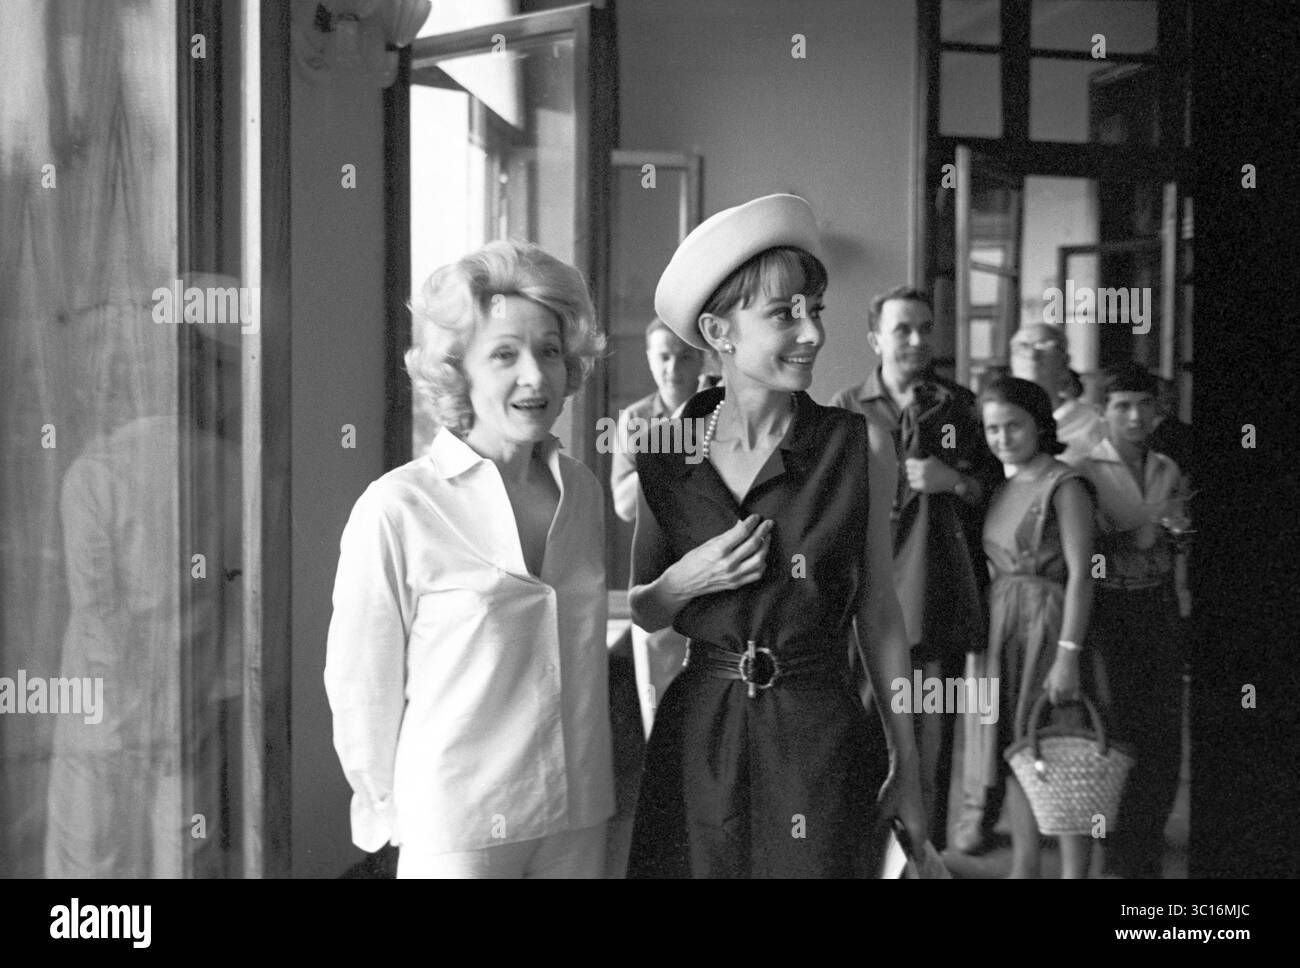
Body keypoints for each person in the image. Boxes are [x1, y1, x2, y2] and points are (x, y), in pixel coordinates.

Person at [625, 194, 926, 878]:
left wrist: (909, 761)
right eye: (784, 314)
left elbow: (878, 610)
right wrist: (685, 581)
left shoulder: (859, 445)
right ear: (719, 332)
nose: (813, 333)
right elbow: (645, 609)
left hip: (819, 732)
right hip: (701, 732)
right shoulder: (666, 454)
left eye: (814, 310)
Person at [324, 239, 613, 878]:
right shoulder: (398, 507)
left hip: (578, 813)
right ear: (459, 370)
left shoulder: (583, 492)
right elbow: (360, 685)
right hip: (459, 825)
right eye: (504, 355)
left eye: (551, 351)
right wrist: (389, 817)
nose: (535, 376)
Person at [829, 285, 1001, 851]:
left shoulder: (963, 408)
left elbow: (995, 495)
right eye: (903, 329)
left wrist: (954, 482)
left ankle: (923, 861)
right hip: (864, 606)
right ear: (876, 337)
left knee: (927, 749)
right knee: (862, 741)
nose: (916, 340)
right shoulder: (846, 409)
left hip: (935, 599)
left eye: (926, 328)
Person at [972, 375, 1107, 878]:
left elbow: (1082, 574)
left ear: (1040, 425)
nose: (1003, 437)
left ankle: (1075, 875)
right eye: (992, 428)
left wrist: (1069, 653)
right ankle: (1023, 870)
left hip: (1049, 625)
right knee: (1013, 748)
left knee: (1058, 749)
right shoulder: (1004, 484)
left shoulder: (1064, 483)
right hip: (1002, 623)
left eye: (1014, 426)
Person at [1081, 362, 1189, 878]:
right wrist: (1132, 536)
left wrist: (1177, 533)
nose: (1134, 416)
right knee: (1116, 724)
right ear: (1102, 412)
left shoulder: (1168, 468)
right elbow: (1083, 554)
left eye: (1144, 405)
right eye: (1122, 405)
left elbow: (1178, 537)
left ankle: (1150, 836)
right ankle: (1115, 846)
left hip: (1158, 604)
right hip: (1109, 609)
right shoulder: (1084, 472)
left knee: (1164, 726)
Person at [610, 318, 702, 737]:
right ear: (650, 361)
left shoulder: (721, 409)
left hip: (713, 569)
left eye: (684, 356)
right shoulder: (634, 420)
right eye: (663, 357)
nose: (673, 368)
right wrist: (668, 451)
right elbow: (625, 506)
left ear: (701, 358)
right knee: (659, 710)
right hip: (658, 572)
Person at [1008, 323, 1105, 465]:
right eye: (1022, 347)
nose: (1032, 355)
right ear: (1011, 362)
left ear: (1064, 360)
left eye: (1044, 345)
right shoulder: (997, 420)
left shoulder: (1093, 423)